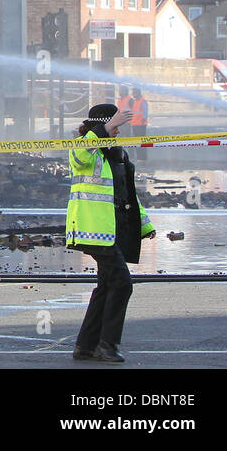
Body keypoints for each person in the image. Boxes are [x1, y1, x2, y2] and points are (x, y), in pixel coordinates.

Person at [68, 103, 156, 365]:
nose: (118, 131)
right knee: (122, 283)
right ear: (103, 125)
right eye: (115, 126)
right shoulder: (84, 148)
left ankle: (85, 347)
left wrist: (145, 225)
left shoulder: (118, 154)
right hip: (92, 230)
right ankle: (108, 345)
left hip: (111, 230)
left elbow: (128, 194)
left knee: (106, 286)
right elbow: (80, 157)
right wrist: (105, 128)